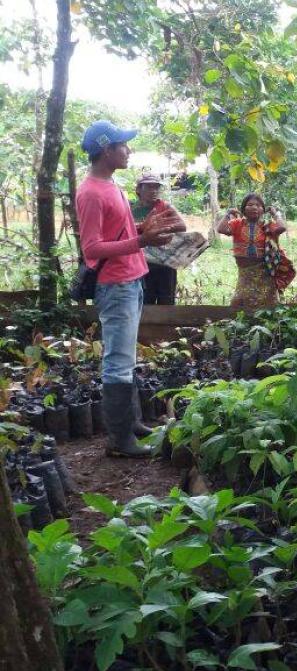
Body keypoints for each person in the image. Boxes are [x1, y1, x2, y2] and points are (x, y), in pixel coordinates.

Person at [78, 121, 184, 458]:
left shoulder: (112, 186)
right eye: (123, 145)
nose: (128, 150)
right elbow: (92, 248)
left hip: (132, 278)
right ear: (106, 150)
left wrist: (142, 229)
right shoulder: (91, 193)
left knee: (127, 357)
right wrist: (142, 240)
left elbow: (116, 231)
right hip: (116, 284)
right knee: (118, 361)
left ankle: (133, 424)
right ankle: (119, 441)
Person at [217, 193, 286, 308]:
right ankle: (242, 320)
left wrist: (275, 214)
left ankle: (268, 320)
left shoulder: (267, 225)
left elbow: (281, 228)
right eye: (250, 205)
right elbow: (221, 229)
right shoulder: (237, 224)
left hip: (264, 270)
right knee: (240, 299)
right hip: (244, 270)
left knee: (268, 298)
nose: (254, 207)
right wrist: (228, 214)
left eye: (258, 205)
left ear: (263, 210)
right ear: (243, 209)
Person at [129, 174, 179, 305]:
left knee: (166, 300)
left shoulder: (165, 207)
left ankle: (167, 325)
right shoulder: (129, 208)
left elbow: (182, 226)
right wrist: (142, 227)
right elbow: (123, 230)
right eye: (149, 187)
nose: (154, 191)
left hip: (165, 261)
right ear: (138, 189)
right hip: (140, 262)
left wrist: (159, 228)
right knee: (144, 300)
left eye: (156, 187)